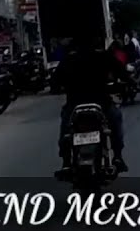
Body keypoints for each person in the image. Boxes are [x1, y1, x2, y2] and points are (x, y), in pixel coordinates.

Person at [53, 35, 130, 177]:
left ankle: (66, 162)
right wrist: (124, 82)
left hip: (75, 104)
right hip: (101, 103)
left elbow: (55, 83)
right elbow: (123, 73)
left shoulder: (69, 59)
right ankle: (118, 157)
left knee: (66, 129)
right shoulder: (104, 56)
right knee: (116, 120)